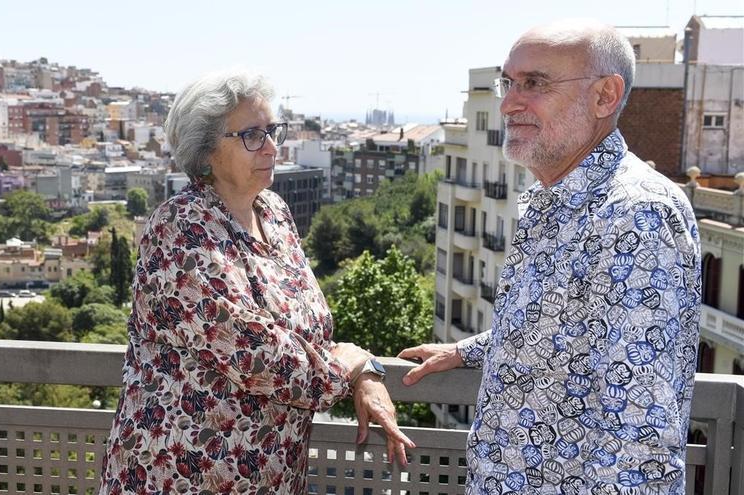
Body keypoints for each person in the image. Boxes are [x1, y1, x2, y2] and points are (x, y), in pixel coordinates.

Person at [400, 19, 701, 495]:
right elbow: (565, 328)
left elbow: (640, 434)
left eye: (535, 84)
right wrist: (469, 350)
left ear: (605, 96)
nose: (508, 103)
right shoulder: (554, 199)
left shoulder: (636, 215)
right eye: (509, 83)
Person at [100, 70, 414, 494]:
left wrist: (361, 372)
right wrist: (355, 364)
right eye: (251, 135)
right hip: (179, 474)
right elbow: (258, 356)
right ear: (207, 150)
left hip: (272, 475)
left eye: (272, 131)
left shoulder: (274, 213)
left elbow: (308, 333)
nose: (271, 147)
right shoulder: (180, 227)